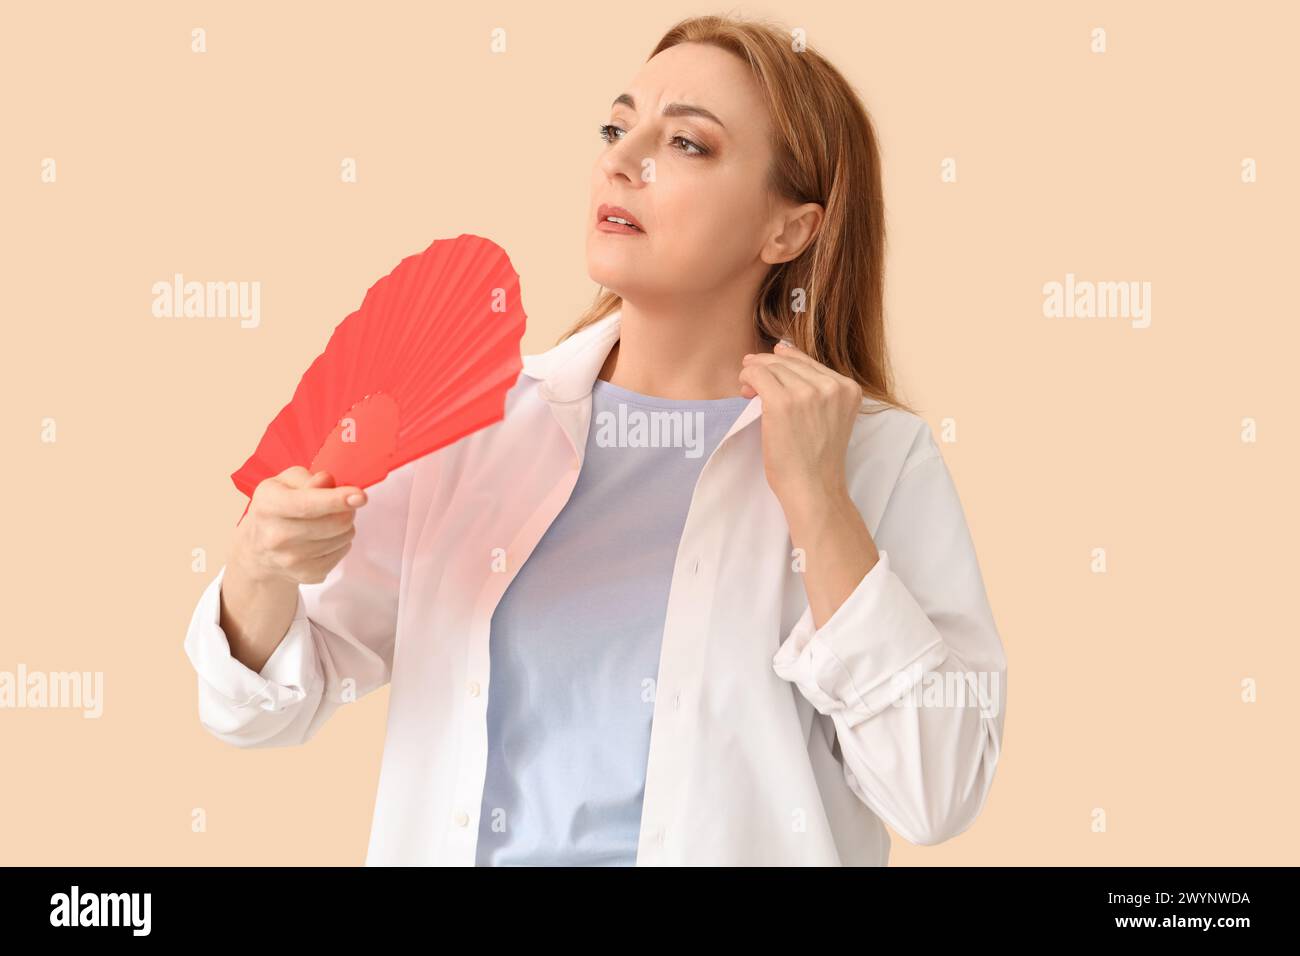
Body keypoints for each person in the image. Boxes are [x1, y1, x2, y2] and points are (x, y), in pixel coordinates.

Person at [185, 13, 1007, 866]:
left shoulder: (878, 461)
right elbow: (261, 709)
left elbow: (937, 793)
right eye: (618, 128)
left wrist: (819, 503)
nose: (623, 159)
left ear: (788, 232)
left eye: (687, 143)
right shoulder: (479, 427)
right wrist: (259, 563)